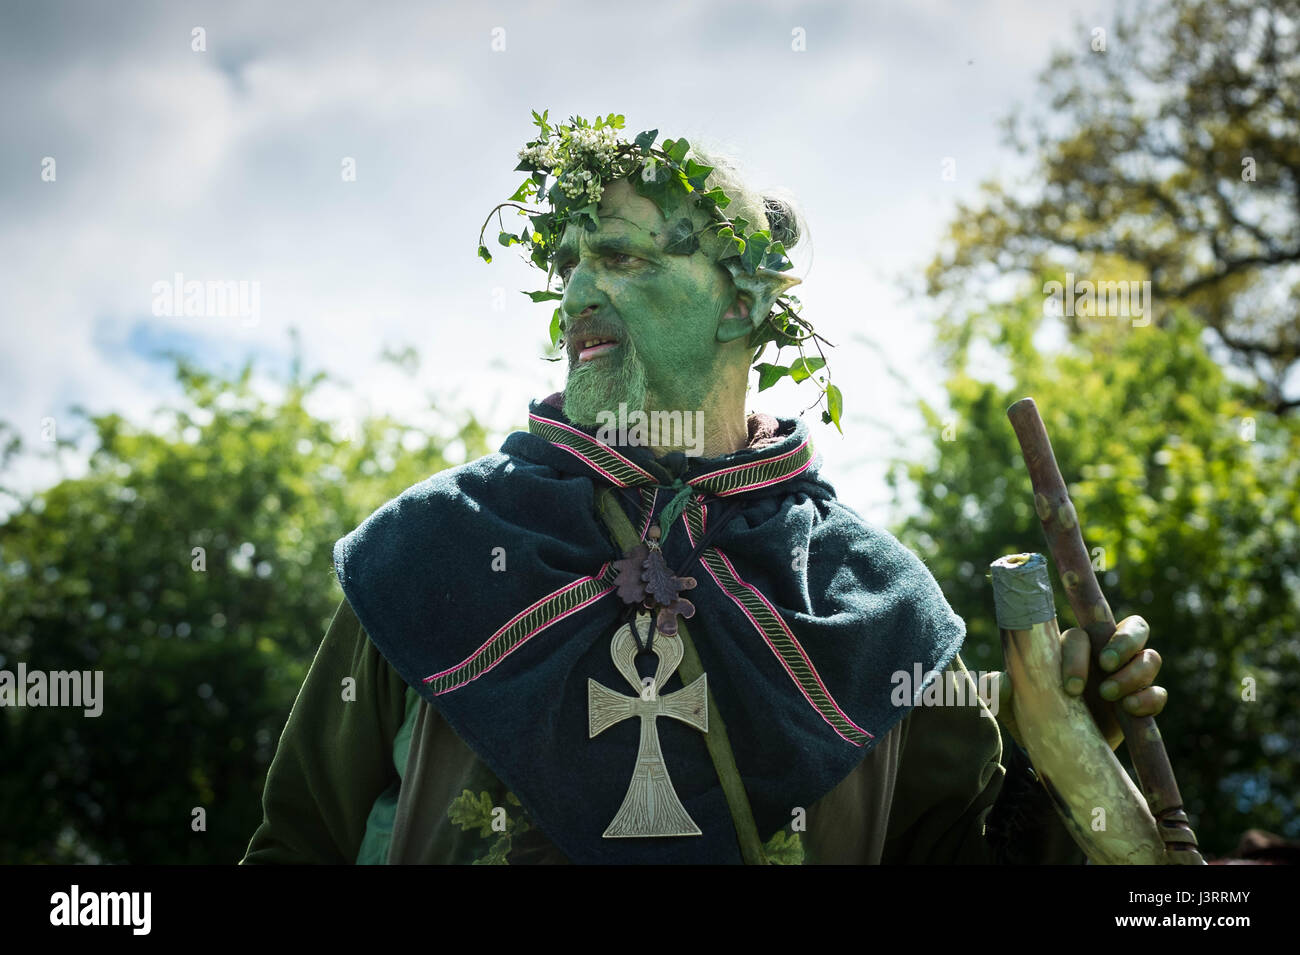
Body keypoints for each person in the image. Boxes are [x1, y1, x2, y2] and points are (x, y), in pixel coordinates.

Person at [241, 116, 1166, 864]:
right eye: (569, 264)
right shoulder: (430, 549)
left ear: (744, 302)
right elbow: (296, 847)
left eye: (623, 259)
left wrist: (1069, 759)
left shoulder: (880, 604)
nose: (575, 295)